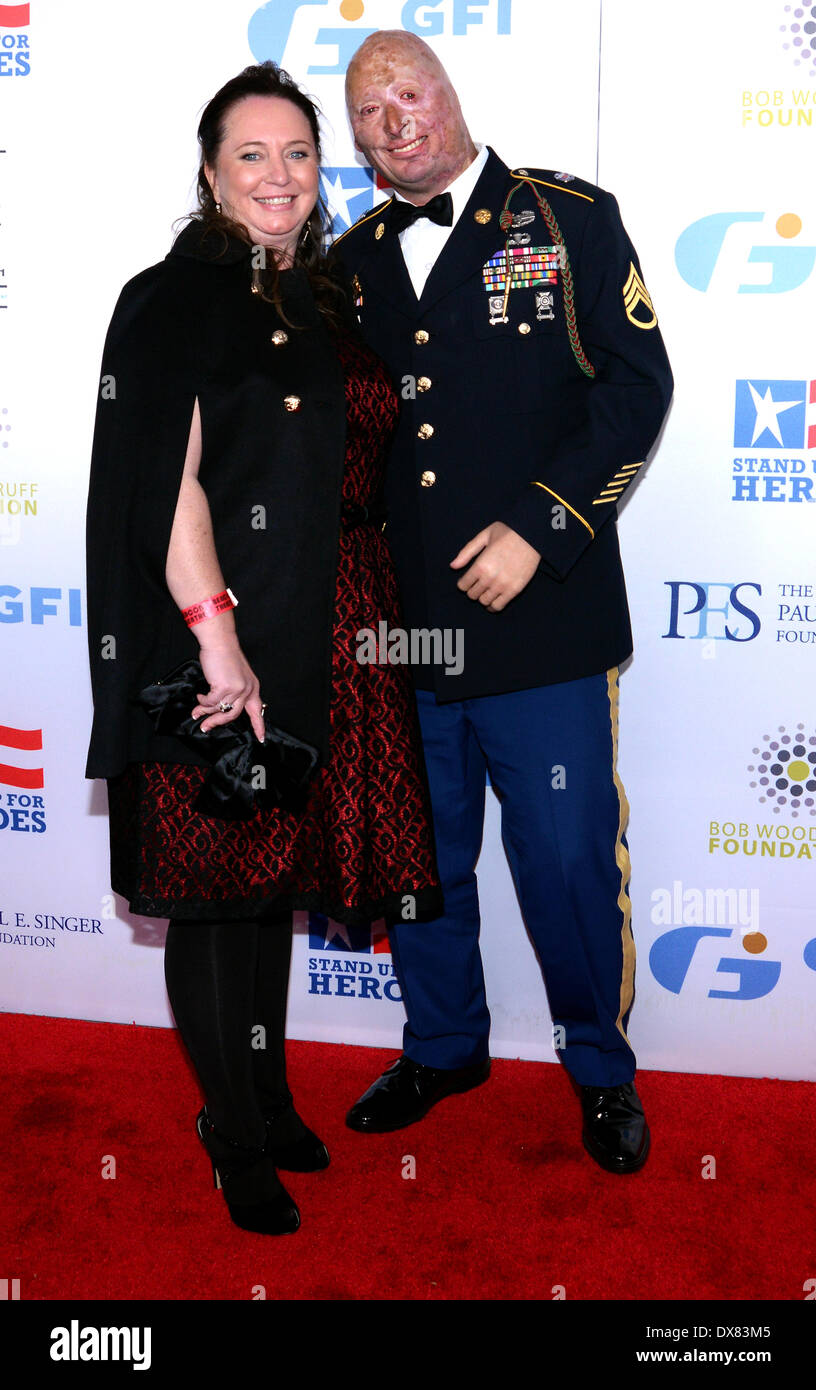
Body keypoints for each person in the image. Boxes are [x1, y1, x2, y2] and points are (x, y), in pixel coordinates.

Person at [84, 60, 442, 1235]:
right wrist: (217, 645)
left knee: (266, 889)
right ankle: (229, 1130)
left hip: (321, 629)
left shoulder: (321, 295)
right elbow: (170, 488)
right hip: (216, 636)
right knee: (210, 897)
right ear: (208, 171)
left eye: (298, 154)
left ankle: (269, 1096)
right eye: (252, 154)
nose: (279, 175)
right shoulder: (175, 296)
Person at [333, 31, 674, 1173]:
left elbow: (636, 391)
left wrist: (543, 526)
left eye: (409, 90)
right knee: (420, 861)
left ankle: (597, 1065)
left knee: (569, 862)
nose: (395, 117)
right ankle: (440, 1044)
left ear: (451, 92)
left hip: (545, 625)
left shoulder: (568, 219)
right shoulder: (349, 262)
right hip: (406, 631)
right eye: (369, 109)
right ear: (360, 142)